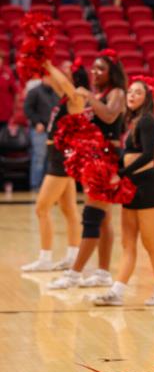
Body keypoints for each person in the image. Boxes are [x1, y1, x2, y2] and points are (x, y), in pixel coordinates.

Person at [49, 50, 127, 290]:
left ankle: (74, 275)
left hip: (106, 158)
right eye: (93, 68)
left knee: (92, 216)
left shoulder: (117, 93)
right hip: (93, 156)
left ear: (112, 72)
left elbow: (110, 116)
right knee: (104, 219)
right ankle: (103, 273)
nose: (95, 72)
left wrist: (89, 97)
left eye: (101, 68)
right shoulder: (98, 94)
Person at [91, 79, 154, 307]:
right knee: (127, 244)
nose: (132, 95)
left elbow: (148, 155)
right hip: (131, 188)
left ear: (147, 98)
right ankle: (117, 292)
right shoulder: (131, 122)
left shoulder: (147, 121)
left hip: (147, 188)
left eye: (138, 92)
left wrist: (121, 173)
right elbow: (126, 155)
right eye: (130, 92)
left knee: (150, 243)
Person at [21, 61, 88, 272]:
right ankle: (73, 257)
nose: (61, 74)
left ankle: (45, 258)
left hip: (60, 159)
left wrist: (49, 65)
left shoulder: (77, 99)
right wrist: (43, 64)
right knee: (69, 210)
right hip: (59, 157)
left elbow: (64, 83)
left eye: (67, 73)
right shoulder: (64, 98)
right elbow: (58, 83)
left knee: (42, 208)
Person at [23, 75, 59, 190]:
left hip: (53, 130)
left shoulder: (56, 92)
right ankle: (35, 185)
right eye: (48, 77)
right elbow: (27, 109)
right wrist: (37, 122)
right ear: (43, 78)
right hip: (39, 129)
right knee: (39, 157)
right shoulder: (34, 92)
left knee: (50, 160)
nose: (51, 80)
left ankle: (47, 187)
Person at [0, 58, 16, 132]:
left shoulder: (8, 72)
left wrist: (13, 108)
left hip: (5, 112)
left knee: (4, 135)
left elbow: (15, 90)